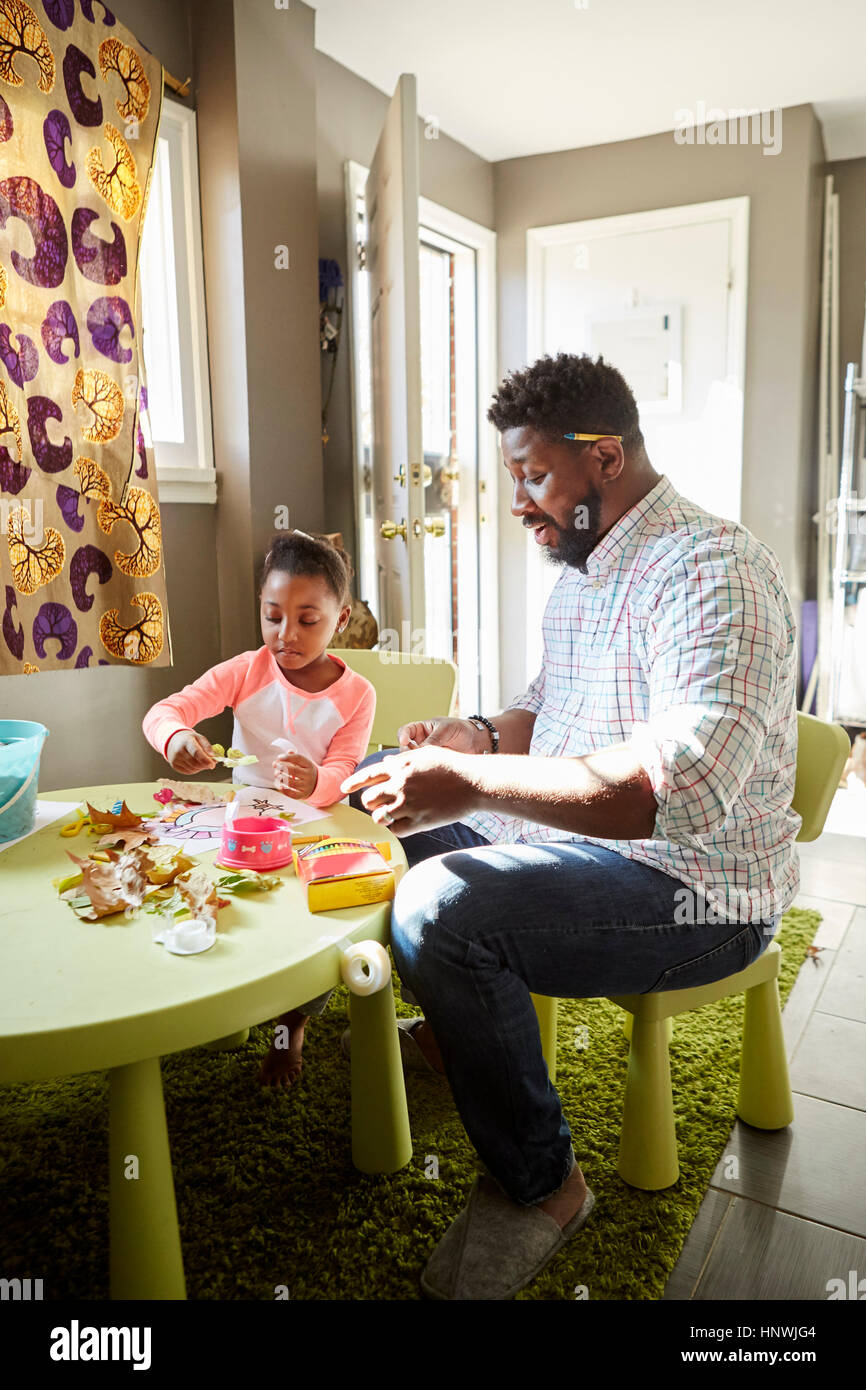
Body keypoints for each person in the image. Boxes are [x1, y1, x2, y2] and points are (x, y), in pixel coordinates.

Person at [341, 352, 801, 1301]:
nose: (519, 500)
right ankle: (461, 1031)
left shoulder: (718, 571)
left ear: (606, 459)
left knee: (441, 905)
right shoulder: (583, 576)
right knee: (377, 789)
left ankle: (540, 1186)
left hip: (696, 890)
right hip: (587, 852)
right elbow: (542, 714)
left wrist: (469, 782)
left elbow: (671, 793)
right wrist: (471, 735)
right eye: (514, 477)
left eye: (534, 474)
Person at [143, 530, 376, 1086]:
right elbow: (167, 709)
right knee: (208, 896)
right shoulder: (247, 670)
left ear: (340, 621)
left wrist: (316, 781)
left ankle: (290, 1026)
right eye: (273, 616)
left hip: (317, 828)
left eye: (307, 620)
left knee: (310, 924)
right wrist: (176, 737)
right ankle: (217, 993)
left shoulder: (356, 694)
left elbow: (345, 772)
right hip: (243, 819)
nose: (286, 635)